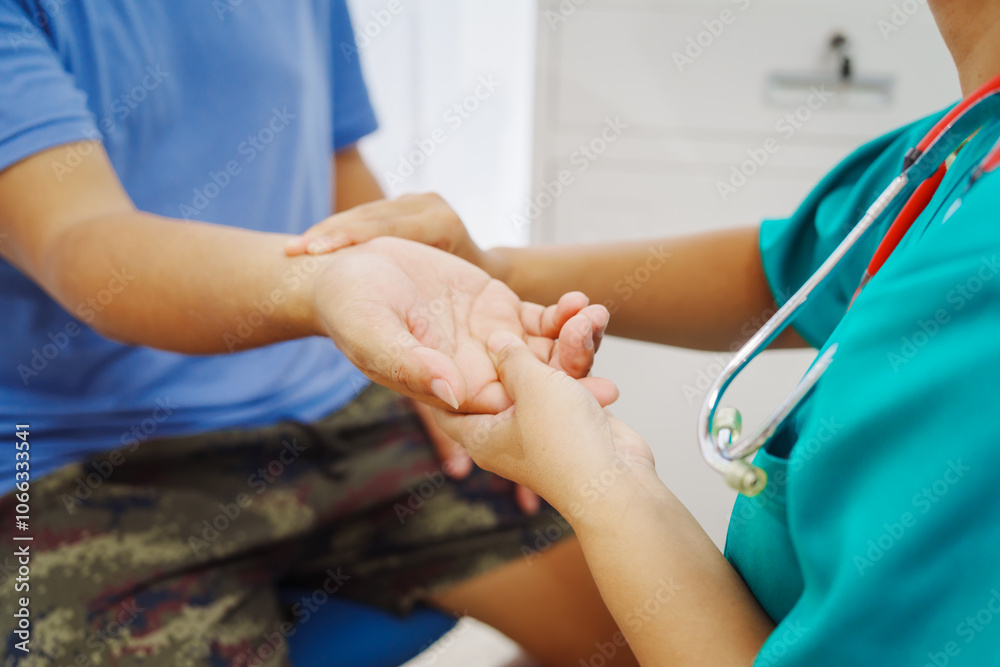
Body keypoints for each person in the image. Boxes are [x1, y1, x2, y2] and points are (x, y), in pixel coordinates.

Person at [288, 0, 1000, 664]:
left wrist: (597, 475)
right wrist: (494, 268)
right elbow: (790, 269)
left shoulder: (979, 294)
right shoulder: (967, 142)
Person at [0, 2, 639, 666]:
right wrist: (326, 287)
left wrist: (422, 342)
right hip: (74, 462)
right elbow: (82, 241)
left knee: (641, 629)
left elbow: (340, 167)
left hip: (338, 409)